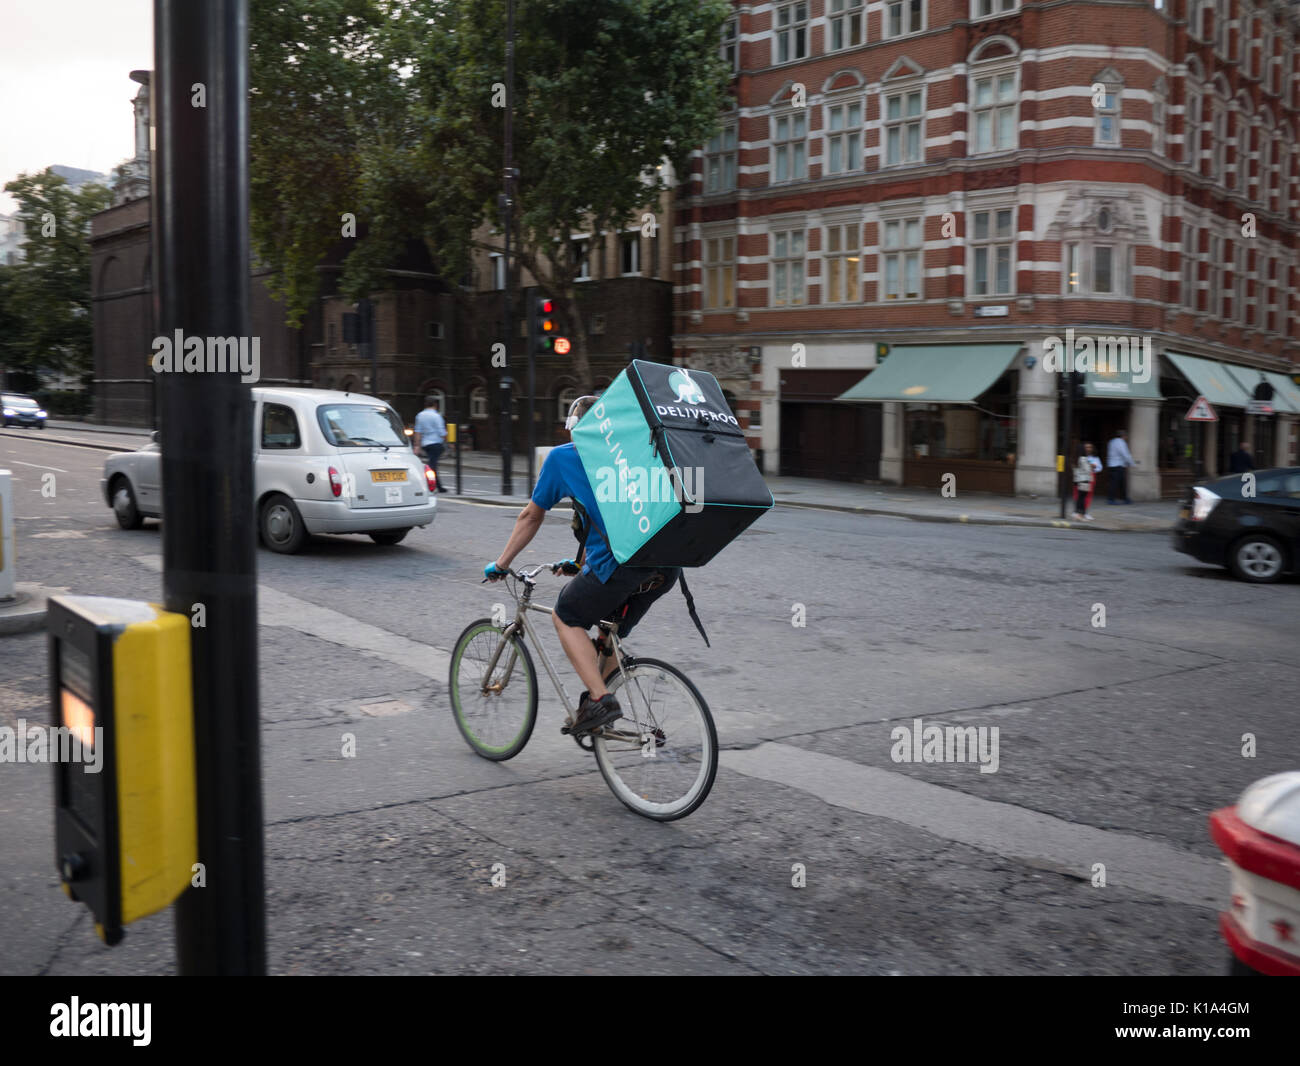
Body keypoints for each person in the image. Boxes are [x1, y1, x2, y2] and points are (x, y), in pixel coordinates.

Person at [483, 394, 681, 737]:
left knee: (567, 616)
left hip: (622, 567)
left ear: (576, 429)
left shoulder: (564, 458)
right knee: (608, 633)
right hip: (665, 566)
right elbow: (616, 516)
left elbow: (531, 515)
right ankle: (599, 714)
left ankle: (601, 700)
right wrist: (580, 563)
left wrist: (502, 563)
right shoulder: (632, 453)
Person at [412, 396, 448, 492]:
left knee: (433, 464)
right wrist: (448, 441)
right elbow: (442, 432)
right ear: (435, 405)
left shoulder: (420, 415)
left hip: (426, 444)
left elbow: (418, 432)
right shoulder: (437, 416)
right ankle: (432, 485)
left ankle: (438, 486)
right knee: (432, 466)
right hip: (436, 443)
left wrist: (417, 446)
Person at [1106, 428, 1136, 504]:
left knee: (1120, 483)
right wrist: (1132, 463)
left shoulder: (1111, 442)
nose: (1127, 437)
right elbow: (1125, 454)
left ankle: (1125, 498)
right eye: (1126, 436)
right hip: (1118, 465)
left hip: (1112, 465)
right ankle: (1111, 499)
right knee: (1115, 483)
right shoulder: (1121, 442)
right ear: (1123, 436)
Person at [1072, 442, 1100, 521]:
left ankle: (1077, 514)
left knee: (1079, 498)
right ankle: (1081, 515)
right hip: (1084, 480)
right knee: (1083, 498)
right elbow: (1088, 470)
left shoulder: (1076, 458)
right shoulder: (1083, 459)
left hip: (1078, 480)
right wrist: (1091, 466)